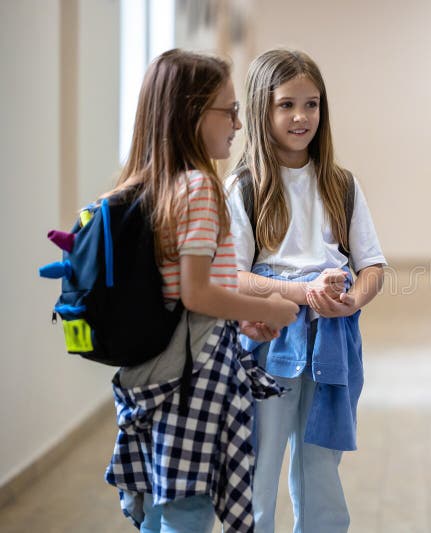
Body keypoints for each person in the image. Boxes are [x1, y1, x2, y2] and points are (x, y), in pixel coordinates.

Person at [103, 49, 299, 533]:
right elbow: (195, 292)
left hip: (154, 368)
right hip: (193, 375)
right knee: (188, 507)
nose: (238, 122)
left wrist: (238, 315)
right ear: (192, 114)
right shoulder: (200, 188)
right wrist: (269, 306)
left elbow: (180, 291)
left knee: (159, 502)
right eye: (227, 110)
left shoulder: (150, 184)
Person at [225, 48, 386, 533]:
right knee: (261, 464)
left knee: (320, 467)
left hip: (333, 342)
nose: (301, 116)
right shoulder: (245, 186)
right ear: (261, 109)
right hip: (267, 342)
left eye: (312, 104)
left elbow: (373, 265)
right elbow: (234, 277)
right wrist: (303, 292)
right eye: (286, 104)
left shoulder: (341, 184)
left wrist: (351, 300)